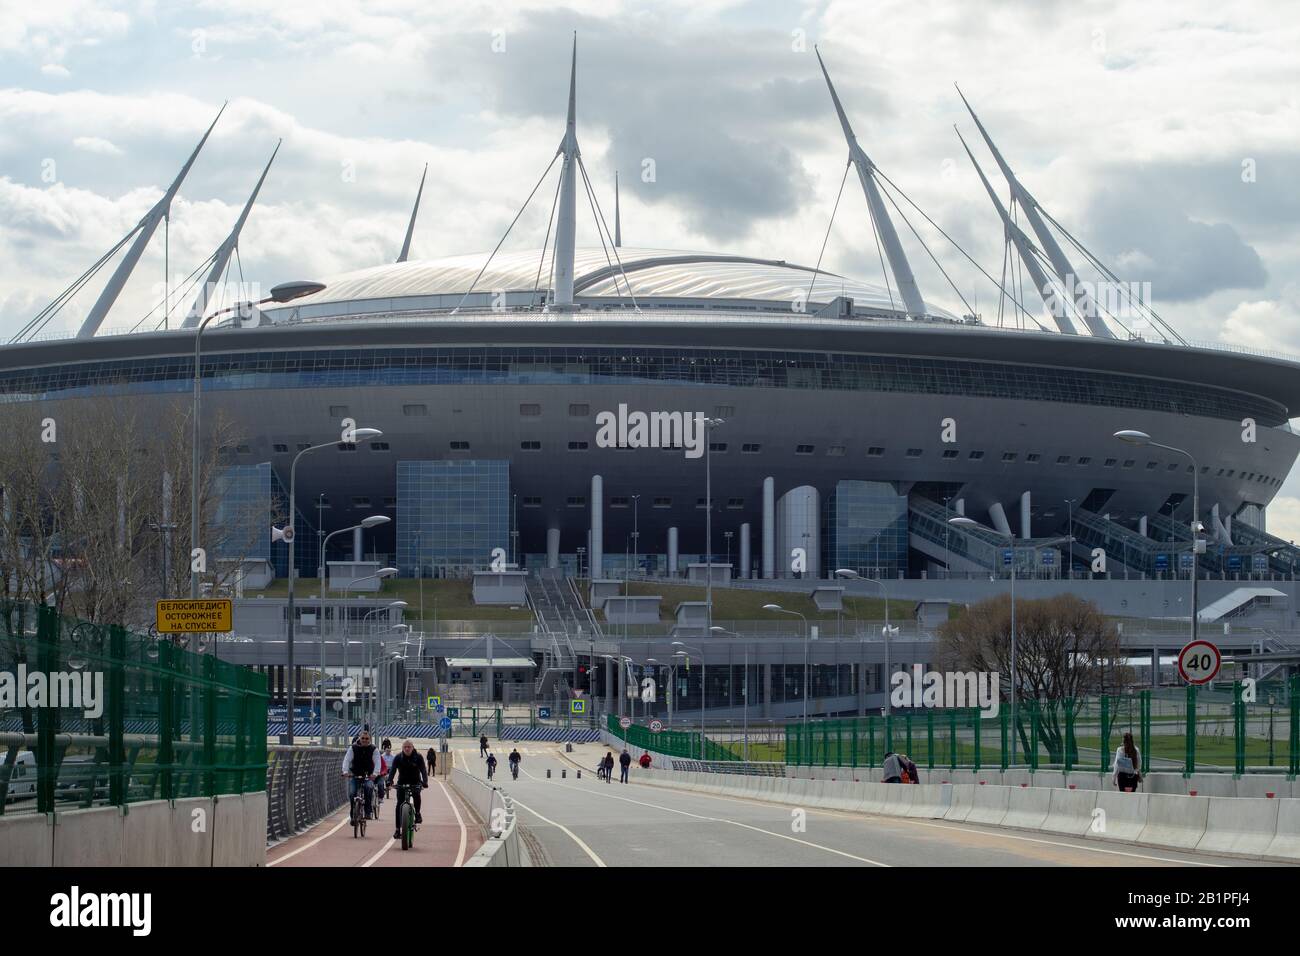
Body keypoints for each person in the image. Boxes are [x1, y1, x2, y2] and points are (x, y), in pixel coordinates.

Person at [386, 739, 429, 840]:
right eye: (405, 747)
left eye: (409, 747)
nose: (407, 749)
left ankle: (417, 813)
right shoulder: (398, 757)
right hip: (402, 782)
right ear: (402, 748)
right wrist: (389, 780)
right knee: (399, 804)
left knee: (417, 795)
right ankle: (397, 829)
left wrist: (425, 782)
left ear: (412, 748)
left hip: (415, 781)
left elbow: (423, 770)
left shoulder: (418, 757)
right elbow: (392, 770)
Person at [341, 730, 379, 820]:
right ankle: (352, 813)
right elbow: (347, 760)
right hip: (355, 775)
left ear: (369, 739)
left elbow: (378, 762)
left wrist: (375, 773)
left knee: (368, 787)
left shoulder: (374, 749)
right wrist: (345, 771)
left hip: (368, 775)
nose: (364, 740)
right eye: (362, 738)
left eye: (367, 739)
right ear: (359, 738)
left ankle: (368, 811)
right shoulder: (353, 748)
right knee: (352, 793)